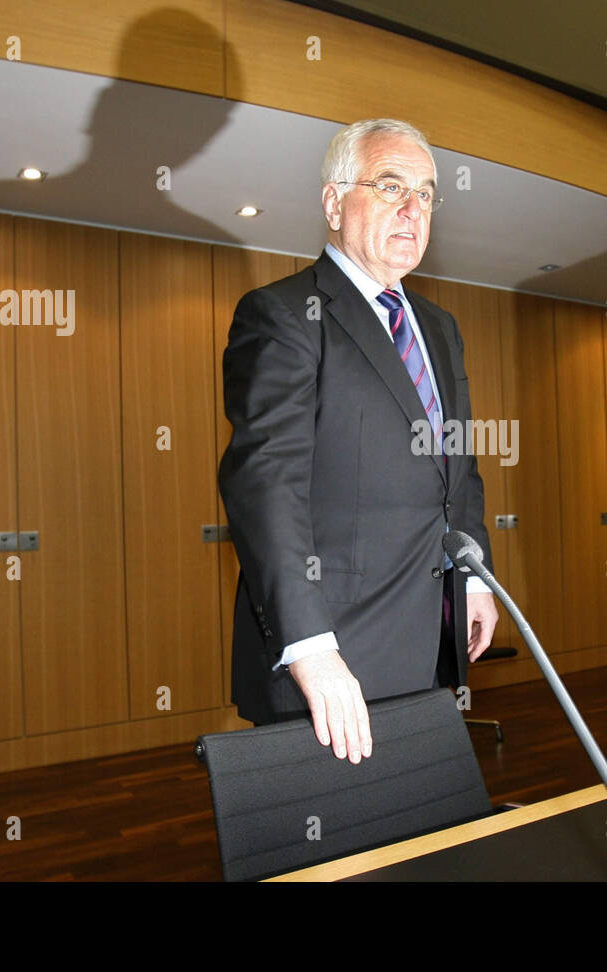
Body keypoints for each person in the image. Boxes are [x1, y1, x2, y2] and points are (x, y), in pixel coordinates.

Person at [218, 118, 497, 763]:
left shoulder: (439, 325)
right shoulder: (285, 315)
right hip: (334, 658)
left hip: (433, 638)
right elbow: (266, 487)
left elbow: (459, 463)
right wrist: (311, 650)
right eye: (390, 185)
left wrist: (474, 572)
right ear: (333, 203)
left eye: (426, 194)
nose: (412, 208)